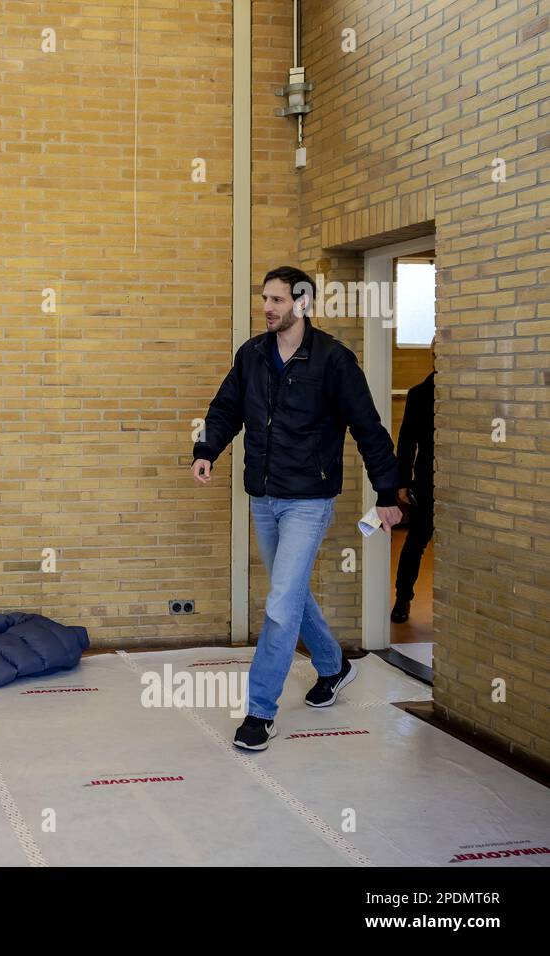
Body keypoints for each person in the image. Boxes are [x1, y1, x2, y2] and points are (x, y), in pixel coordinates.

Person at [191, 266, 402, 751]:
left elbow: (368, 428)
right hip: (262, 497)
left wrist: (387, 494)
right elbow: (224, 409)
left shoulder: (333, 360)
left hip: (309, 499)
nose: (267, 308)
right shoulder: (252, 356)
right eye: (265, 298)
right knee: (292, 592)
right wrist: (206, 451)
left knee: (280, 602)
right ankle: (333, 665)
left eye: (278, 300)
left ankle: (259, 713)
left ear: (302, 304)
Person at [392, 341, 435, 623]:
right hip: (426, 482)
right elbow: (407, 442)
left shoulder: (466, 393)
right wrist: (403, 482)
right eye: (435, 352)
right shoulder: (419, 394)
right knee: (415, 542)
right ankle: (402, 599)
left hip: (461, 485)